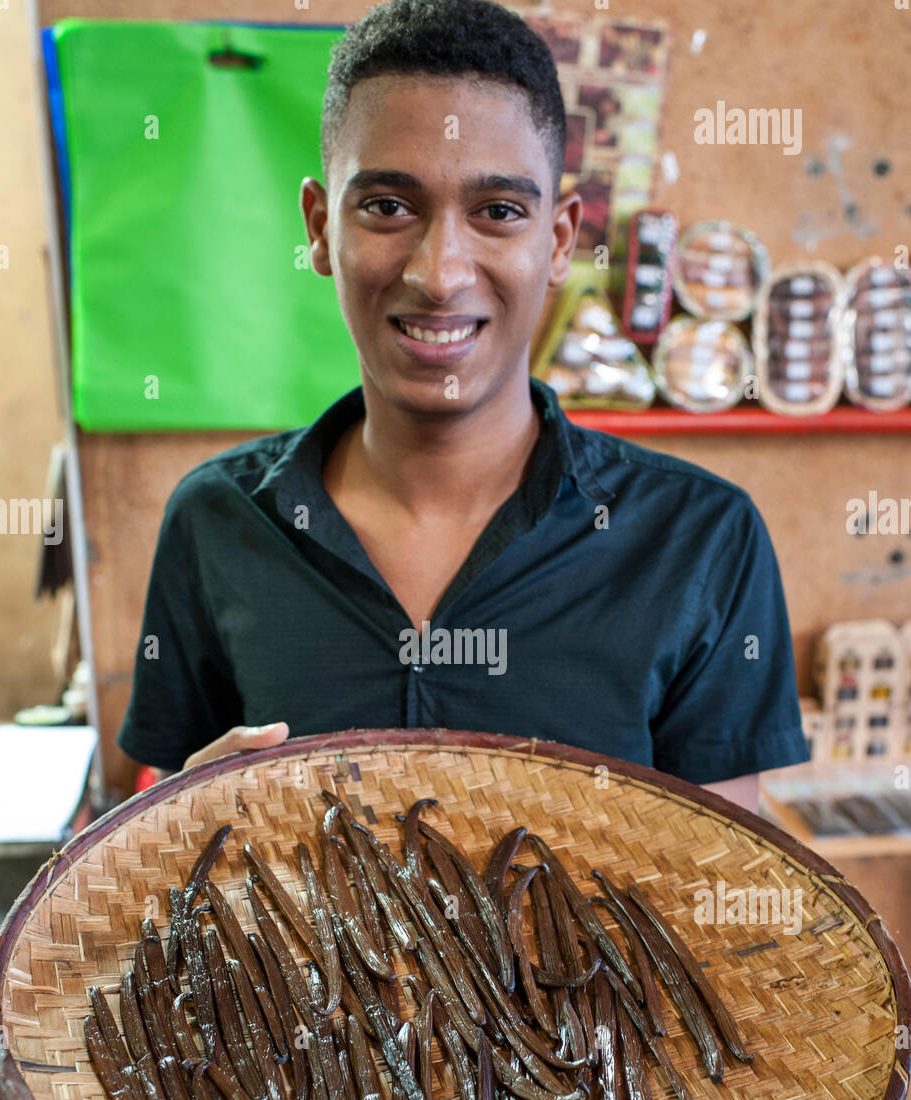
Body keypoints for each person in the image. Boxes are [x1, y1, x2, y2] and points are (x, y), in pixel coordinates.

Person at [118, 0, 809, 814]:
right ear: (317, 227)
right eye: (386, 206)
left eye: (498, 212)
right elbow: (152, 841)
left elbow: (721, 891)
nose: (440, 273)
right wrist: (181, 825)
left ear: (556, 242)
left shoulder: (700, 540)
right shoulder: (216, 521)